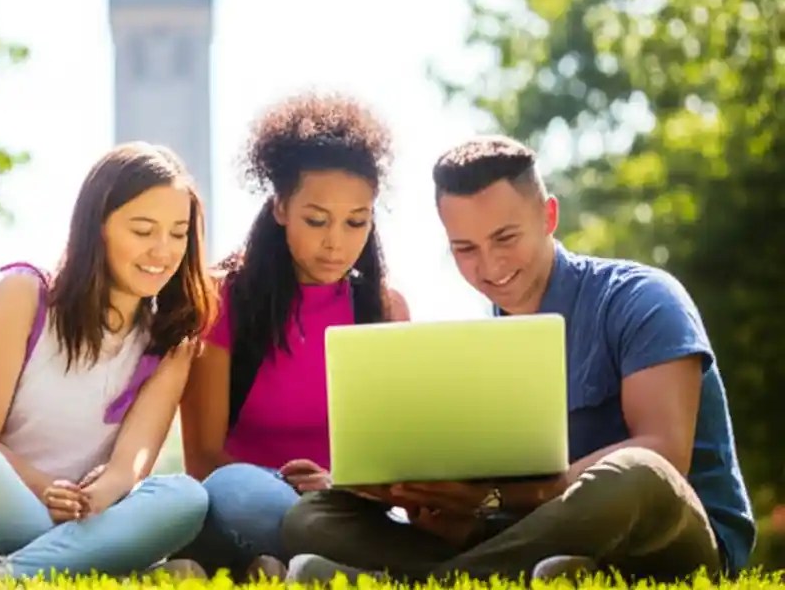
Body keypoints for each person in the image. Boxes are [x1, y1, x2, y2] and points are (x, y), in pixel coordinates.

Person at [282, 135, 757, 584]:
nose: (489, 267)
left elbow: (665, 451)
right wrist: (402, 491)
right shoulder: (480, 345)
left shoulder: (643, 298)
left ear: (549, 215)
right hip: (529, 536)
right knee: (313, 518)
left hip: (667, 539)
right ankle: (526, 574)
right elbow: (484, 487)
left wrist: (501, 498)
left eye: (505, 238)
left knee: (638, 473)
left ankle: (429, 584)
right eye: (465, 249)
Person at [0, 142, 220, 582]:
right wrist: (51, 492)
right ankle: (102, 568)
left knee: (187, 498)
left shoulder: (172, 343)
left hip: (78, 517)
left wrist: (95, 499)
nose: (163, 251)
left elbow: (127, 468)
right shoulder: (24, 295)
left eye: (178, 234)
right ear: (98, 227)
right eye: (143, 230)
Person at [174, 92, 410, 581]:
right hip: (248, 498)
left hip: (345, 504)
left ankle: (295, 564)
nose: (335, 241)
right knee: (242, 492)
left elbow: (393, 457)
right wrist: (287, 486)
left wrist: (335, 486)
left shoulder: (385, 309)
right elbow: (203, 461)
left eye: (356, 222)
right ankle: (326, 561)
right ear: (281, 207)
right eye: (316, 220)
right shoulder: (221, 298)